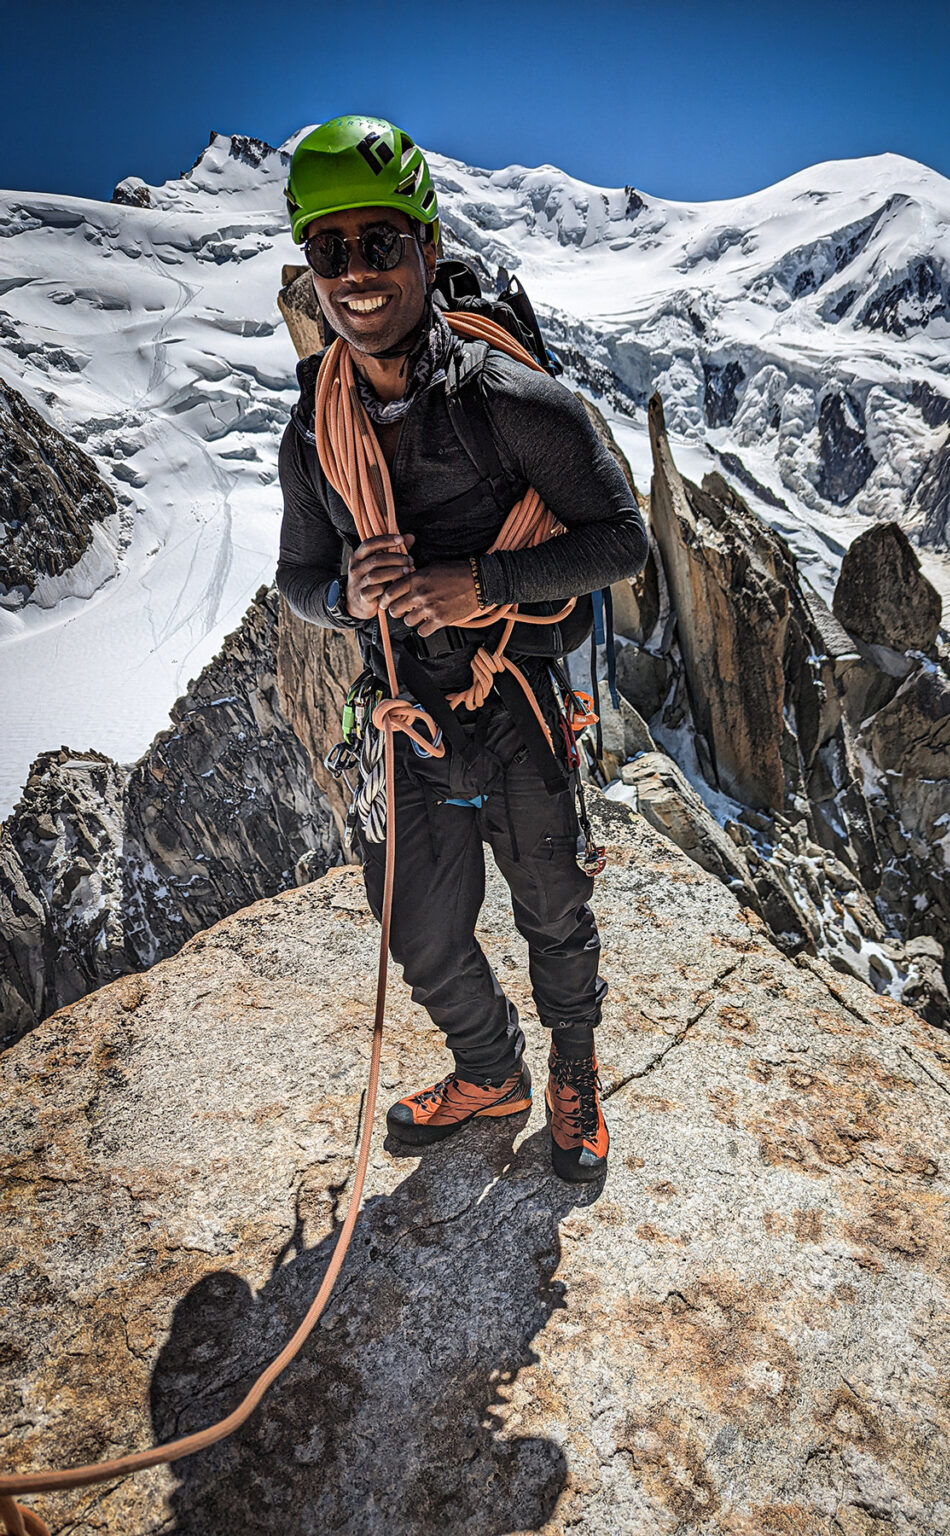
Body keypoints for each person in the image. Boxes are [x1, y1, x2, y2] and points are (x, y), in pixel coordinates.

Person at [276, 116, 648, 1183]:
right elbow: (297, 580)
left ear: (427, 251)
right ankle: (493, 1071)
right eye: (329, 250)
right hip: (409, 709)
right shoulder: (314, 428)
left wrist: (476, 586)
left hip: (516, 695)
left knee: (553, 910)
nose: (355, 273)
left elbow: (618, 539)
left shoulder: (513, 403)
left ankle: (572, 1078)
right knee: (420, 932)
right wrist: (350, 596)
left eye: (379, 244)